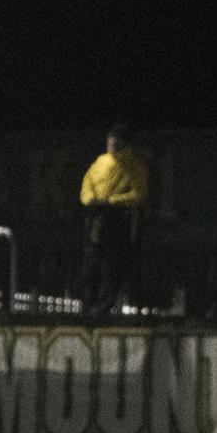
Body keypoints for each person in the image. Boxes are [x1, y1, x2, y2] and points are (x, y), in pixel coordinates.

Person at [78, 124, 148, 315]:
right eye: (110, 140)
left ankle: (102, 306)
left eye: (116, 141)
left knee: (112, 264)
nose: (112, 144)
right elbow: (87, 183)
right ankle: (88, 304)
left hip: (118, 220)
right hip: (96, 220)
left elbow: (139, 193)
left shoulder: (134, 165)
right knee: (91, 263)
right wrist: (90, 200)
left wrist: (112, 202)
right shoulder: (101, 161)